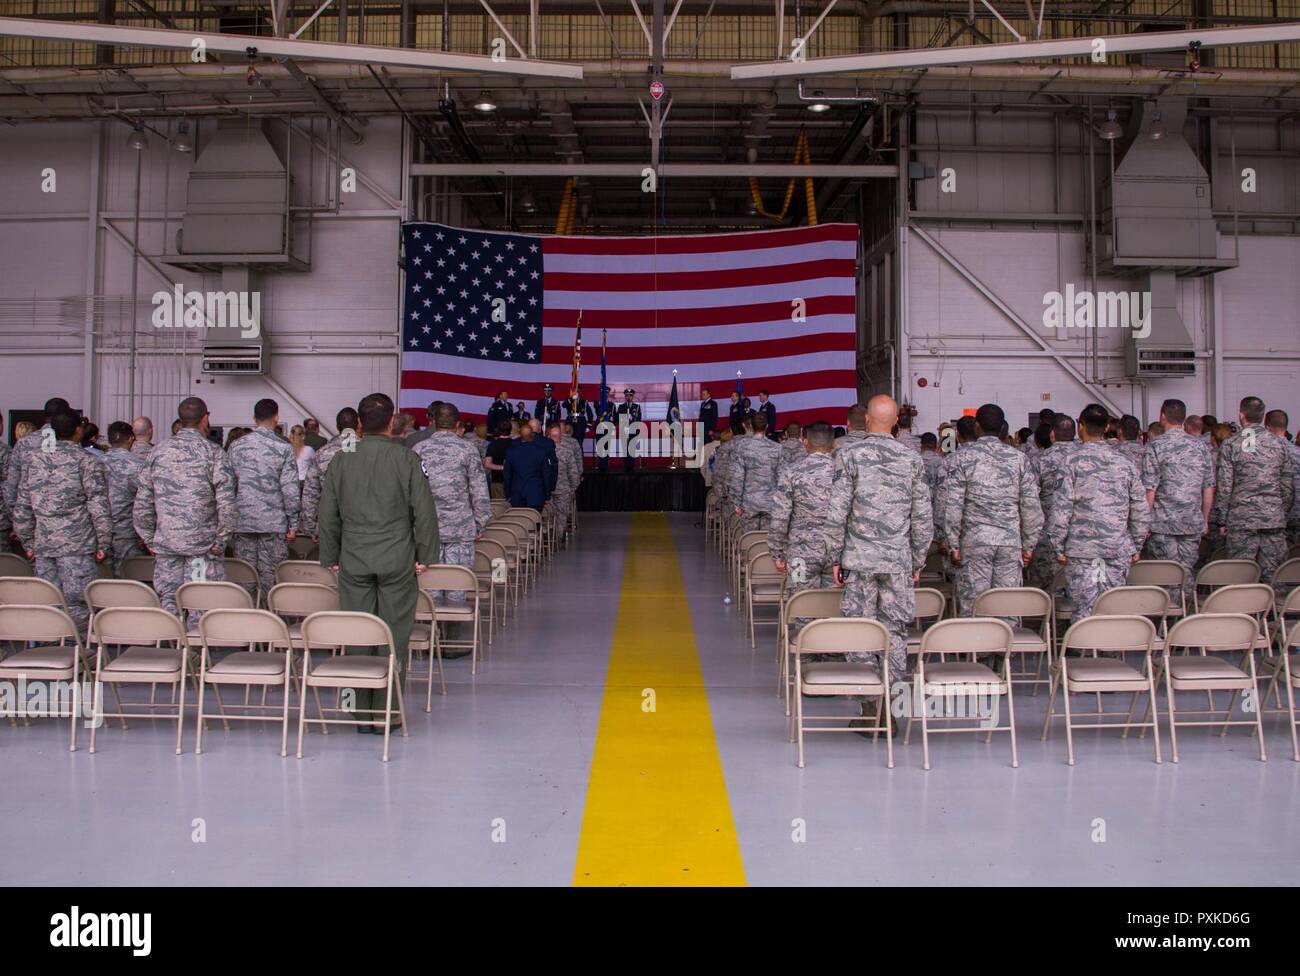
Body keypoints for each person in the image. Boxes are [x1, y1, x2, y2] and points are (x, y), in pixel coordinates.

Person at [318, 393, 440, 732]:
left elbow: (327, 515)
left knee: (357, 635)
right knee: (394, 637)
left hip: (354, 557)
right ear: (391, 423)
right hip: (397, 557)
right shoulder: (406, 460)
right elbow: (424, 511)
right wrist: (426, 555)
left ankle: (359, 713)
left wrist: (330, 556)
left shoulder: (342, 460)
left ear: (358, 424)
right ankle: (387, 713)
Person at [825, 397, 932, 714]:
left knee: (860, 628)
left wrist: (835, 556)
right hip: (897, 560)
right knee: (896, 631)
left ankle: (869, 705)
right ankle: (894, 703)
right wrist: (917, 560)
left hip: (859, 560)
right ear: (897, 420)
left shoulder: (849, 455)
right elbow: (923, 518)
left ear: (868, 420)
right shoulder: (911, 459)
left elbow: (836, 512)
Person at [134, 397, 236, 618]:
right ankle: (198, 652)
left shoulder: (157, 452)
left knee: (168, 604)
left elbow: (142, 503)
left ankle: (171, 650)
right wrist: (222, 540)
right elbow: (227, 504)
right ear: (205, 418)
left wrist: (151, 540)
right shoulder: (214, 453)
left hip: (167, 545)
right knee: (201, 605)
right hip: (203, 548)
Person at [1046, 405, 1150, 620]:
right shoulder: (1125, 463)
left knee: (1084, 609)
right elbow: (1140, 508)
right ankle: (1109, 650)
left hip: (1082, 549)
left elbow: (1061, 508)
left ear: (1080, 426)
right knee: (1112, 608)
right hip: (1116, 547)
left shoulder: (1071, 462)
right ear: (1106, 428)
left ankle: (1085, 651)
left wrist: (1058, 546)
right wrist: (1137, 544)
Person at [13, 409, 111, 636]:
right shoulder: (87, 461)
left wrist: (28, 542)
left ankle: (49, 652)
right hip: (77, 546)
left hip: (44, 545)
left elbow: (23, 505)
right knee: (78, 605)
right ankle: (76, 656)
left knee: (49, 604)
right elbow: (98, 506)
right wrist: (104, 543)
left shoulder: (34, 460)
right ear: (79, 430)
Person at [944, 403, 1043, 616]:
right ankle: (1005, 647)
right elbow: (1031, 506)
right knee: (1007, 604)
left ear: (977, 426)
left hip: (974, 541)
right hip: (1009, 542)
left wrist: (953, 544)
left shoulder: (962, 457)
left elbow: (953, 505)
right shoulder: (1019, 459)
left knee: (975, 605)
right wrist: (1029, 545)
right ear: (1001, 429)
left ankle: (976, 649)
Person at [413, 402, 491, 619]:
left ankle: (433, 638)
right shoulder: (468, 449)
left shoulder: (419, 449)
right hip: (460, 527)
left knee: (429, 585)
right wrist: (481, 522)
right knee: (458, 584)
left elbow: (409, 492)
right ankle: (452, 638)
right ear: (457, 424)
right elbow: (479, 490)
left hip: (427, 530)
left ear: (434, 422)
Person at [1213, 396, 1294, 584]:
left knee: (1241, 575)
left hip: (1241, 519)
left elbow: (1225, 485)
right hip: (1273, 518)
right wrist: (1281, 512)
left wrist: (1222, 519)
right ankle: (1272, 612)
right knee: (1274, 576)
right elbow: (1287, 485)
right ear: (1263, 415)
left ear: (1241, 415)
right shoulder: (1281, 444)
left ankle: (1244, 611)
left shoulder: (1231, 444)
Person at [226, 399, 300, 603]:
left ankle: (246, 620)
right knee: (271, 579)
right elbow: (290, 489)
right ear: (277, 418)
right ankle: (270, 624)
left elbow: (228, 487)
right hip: (274, 523)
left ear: (253, 419)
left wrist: (228, 520)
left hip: (244, 521)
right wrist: (293, 522)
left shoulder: (236, 447)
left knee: (245, 577)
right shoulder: (283, 448)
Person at [1142, 398, 1213, 605]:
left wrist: (1145, 522)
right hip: (1192, 522)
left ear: (1162, 416)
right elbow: (1208, 487)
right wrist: (1205, 519)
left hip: (1163, 523)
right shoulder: (1200, 447)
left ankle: (1166, 622)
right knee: (1186, 573)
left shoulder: (1155, 446)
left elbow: (1150, 489)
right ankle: (1186, 618)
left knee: (1165, 575)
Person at [769, 420, 837, 615]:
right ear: (833, 444)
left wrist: (777, 553)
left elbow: (780, 516)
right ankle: (832, 645)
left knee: (801, 605)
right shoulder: (844, 473)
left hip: (800, 555)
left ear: (805, 442)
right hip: (837, 554)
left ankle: (805, 644)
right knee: (834, 609)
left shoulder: (791, 473)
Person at [3, 398, 72, 547]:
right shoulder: (71, 444)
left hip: (32, 519)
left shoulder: (24, 443)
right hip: (68, 526)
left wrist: (17, 521)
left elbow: (11, 488)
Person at [1025, 414, 1081, 591]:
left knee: (1045, 588)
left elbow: (1030, 499)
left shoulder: (1039, 460)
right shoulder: (1085, 457)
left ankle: (1049, 618)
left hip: (1047, 534)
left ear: (1052, 434)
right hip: (1082, 533)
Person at [300, 407, 360, 541]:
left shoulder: (321, 453)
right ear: (359, 424)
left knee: (330, 562)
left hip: (329, 525)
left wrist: (312, 527)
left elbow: (310, 494)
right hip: (363, 527)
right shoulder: (369, 452)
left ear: (337, 427)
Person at [102, 421, 147, 572]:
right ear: (130, 439)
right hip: (128, 532)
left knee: (102, 579)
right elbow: (146, 501)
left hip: (100, 532)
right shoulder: (139, 465)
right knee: (128, 577)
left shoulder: (95, 463)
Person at [728, 411, 782, 532]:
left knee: (749, 544)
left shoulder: (742, 446)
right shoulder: (778, 448)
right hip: (771, 503)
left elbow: (738, 476)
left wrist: (736, 502)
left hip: (749, 504)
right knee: (766, 544)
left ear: (751, 427)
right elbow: (782, 478)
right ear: (767, 426)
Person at [545, 422, 582, 544]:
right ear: (560, 436)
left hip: (546, 490)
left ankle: (548, 539)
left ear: (548, 436)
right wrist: (572, 488)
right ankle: (557, 539)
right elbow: (574, 473)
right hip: (563, 490)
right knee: (561, 517)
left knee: (547, 515)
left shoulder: (542, 452)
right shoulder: (567, 452)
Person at [504, 423, 555, 510]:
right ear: (532, 435)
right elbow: (546, 474)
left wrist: (507, 494)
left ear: (520, 435)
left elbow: (507, 474)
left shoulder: (511, 452)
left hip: (517, 494)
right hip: (536, 494)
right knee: (534, 522)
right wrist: (547, 495)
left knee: (519, 522)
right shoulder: (541, 452)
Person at [615, 388, 642, 473]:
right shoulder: (621, 407)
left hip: (633, 430)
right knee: (625, 449)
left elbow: (638, 419)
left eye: (630, 396)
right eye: (627, 396)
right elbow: (617, 419)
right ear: (625, 397)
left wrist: (632, 418)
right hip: (624, 430)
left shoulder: (637, 407)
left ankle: (631, 466)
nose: (628, 397)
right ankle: (626, 466)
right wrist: (624, 419)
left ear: (633, 397)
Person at [484, 421, 512, 498]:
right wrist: (506, 467)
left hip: (497, 481)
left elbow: (487, 464)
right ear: (511, 430)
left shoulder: (492, 445)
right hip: (513, 480)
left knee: (498, 507)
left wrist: (502, 467)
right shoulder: (516, 444)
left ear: (498, 430)